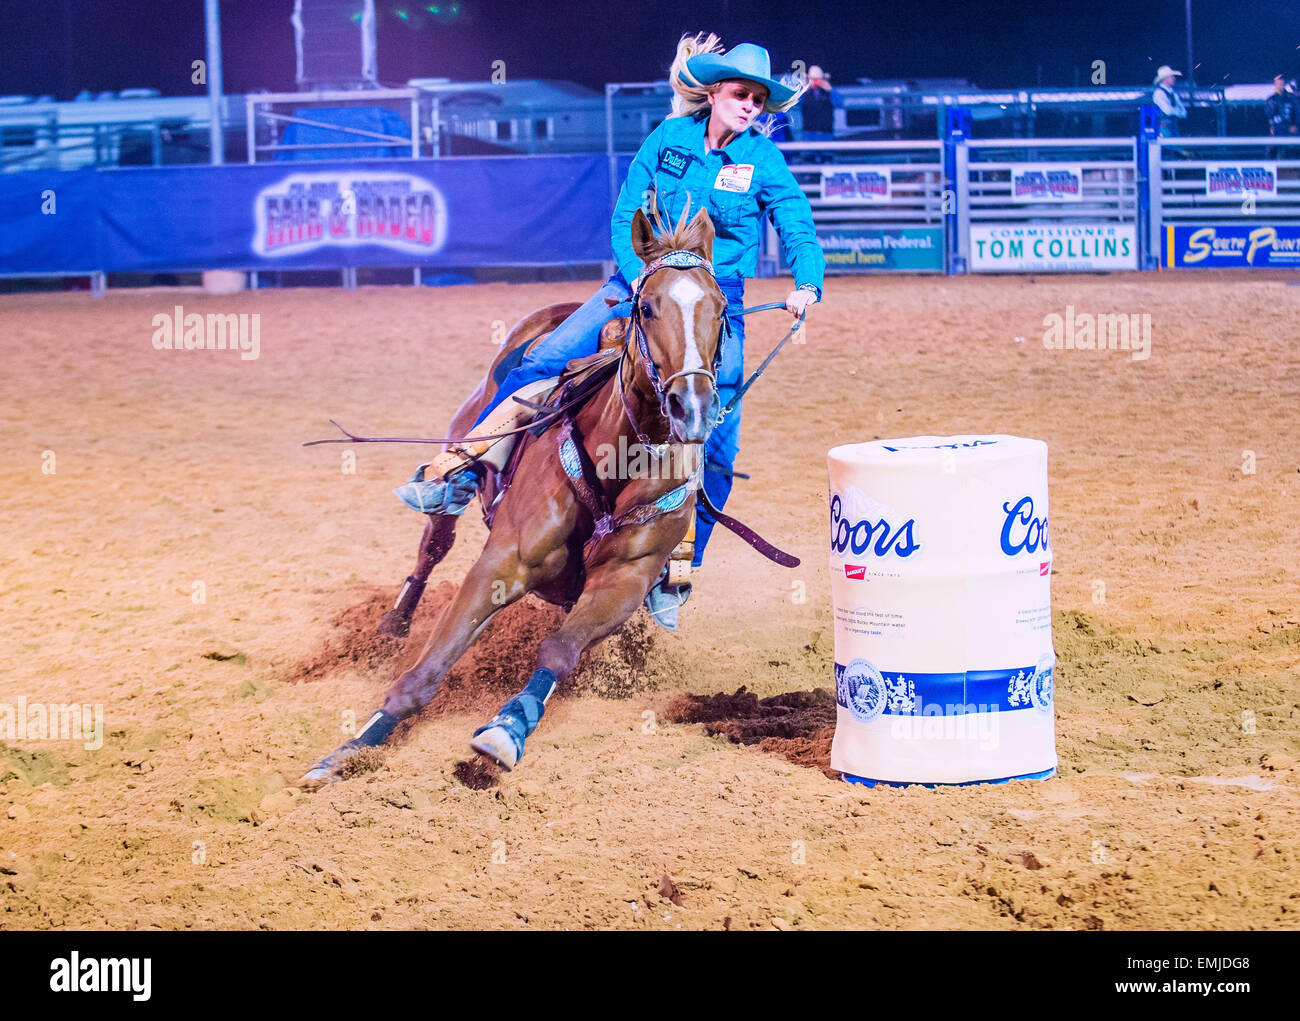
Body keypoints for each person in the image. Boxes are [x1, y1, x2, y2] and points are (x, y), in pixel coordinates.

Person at [395, 33, 826, 630]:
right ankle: (460, 471)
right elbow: (627, 215)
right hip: (635, 285)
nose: (749, 104)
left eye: (758, 98)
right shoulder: (668, 139)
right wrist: (641, 277)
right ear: (714, 92)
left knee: (719, 449)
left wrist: (808, 283)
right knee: (542, 360)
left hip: (711, 309)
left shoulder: (765, 160)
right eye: (739, 92)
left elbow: (797, 225)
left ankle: (676, 570)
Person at [798, 65, 836, 141]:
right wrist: (804, 89)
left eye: (817, 79)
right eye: (813, 79)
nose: (815, 82)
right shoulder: (804, 94)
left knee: (827, 152)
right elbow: (794, 105)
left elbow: (840, 104)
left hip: (826, 132)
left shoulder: (828, 93)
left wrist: (831, 91)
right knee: (809, 152)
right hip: (809, 132)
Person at [1265, 73, 1299, 158]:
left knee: (1290, 151)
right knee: (1271, 150)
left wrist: (1295, 125)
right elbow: (1269, 115)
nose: (1280, 86)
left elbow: (1297, 112)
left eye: (1282, 83)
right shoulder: (1271, 99)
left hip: (1289, 129)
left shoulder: (1291, 98)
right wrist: (1271, 126)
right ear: (1275, 84)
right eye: (1278, 84)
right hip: (1277, 129)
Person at [1152, 65, 1188, 138]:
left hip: (1173, 126)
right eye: (1171, 77)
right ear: (1164, 79)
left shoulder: (1173, 93)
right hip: (1163, 126)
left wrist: (1176, 112)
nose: (1174, 78)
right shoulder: (1159, 93)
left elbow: (1184, 112)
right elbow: (1168, 111)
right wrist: (1178, 112)